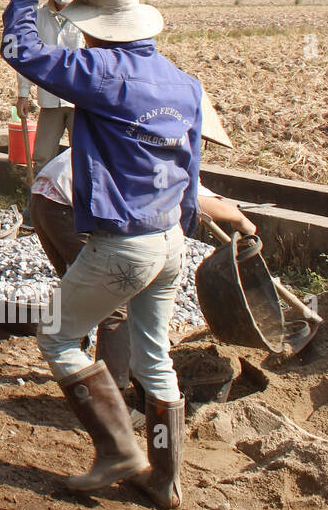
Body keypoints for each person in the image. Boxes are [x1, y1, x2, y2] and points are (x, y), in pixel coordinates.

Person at [2, 0, 203, 510]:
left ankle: (117, 450)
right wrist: (179, 233)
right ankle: (164, 480)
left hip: (123, 244)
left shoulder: (101, 74)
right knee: (153, 357)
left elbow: (21, 50)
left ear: (97, 29)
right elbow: (191, 173)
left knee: (59, 336)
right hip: (168, 241)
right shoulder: (182, 84)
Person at [29, 96, 255, 422]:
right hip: (67, 205)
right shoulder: (164, 147)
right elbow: (196, 198)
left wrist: (224, 207)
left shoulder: (149, 130)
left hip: (52, 195)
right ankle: (116, 401)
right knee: (113, 305)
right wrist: (243, 222)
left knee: (83, 286)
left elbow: (198, 194)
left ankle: (77, 375)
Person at [15, 0, 82, 170]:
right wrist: (23, 94)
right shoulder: (38, 18)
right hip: (50, 97)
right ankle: (39, 196)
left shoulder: (85, 16)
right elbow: (27, 57)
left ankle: (79, 198)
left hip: (79, 98)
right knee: (43, 155)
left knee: (83, 155)